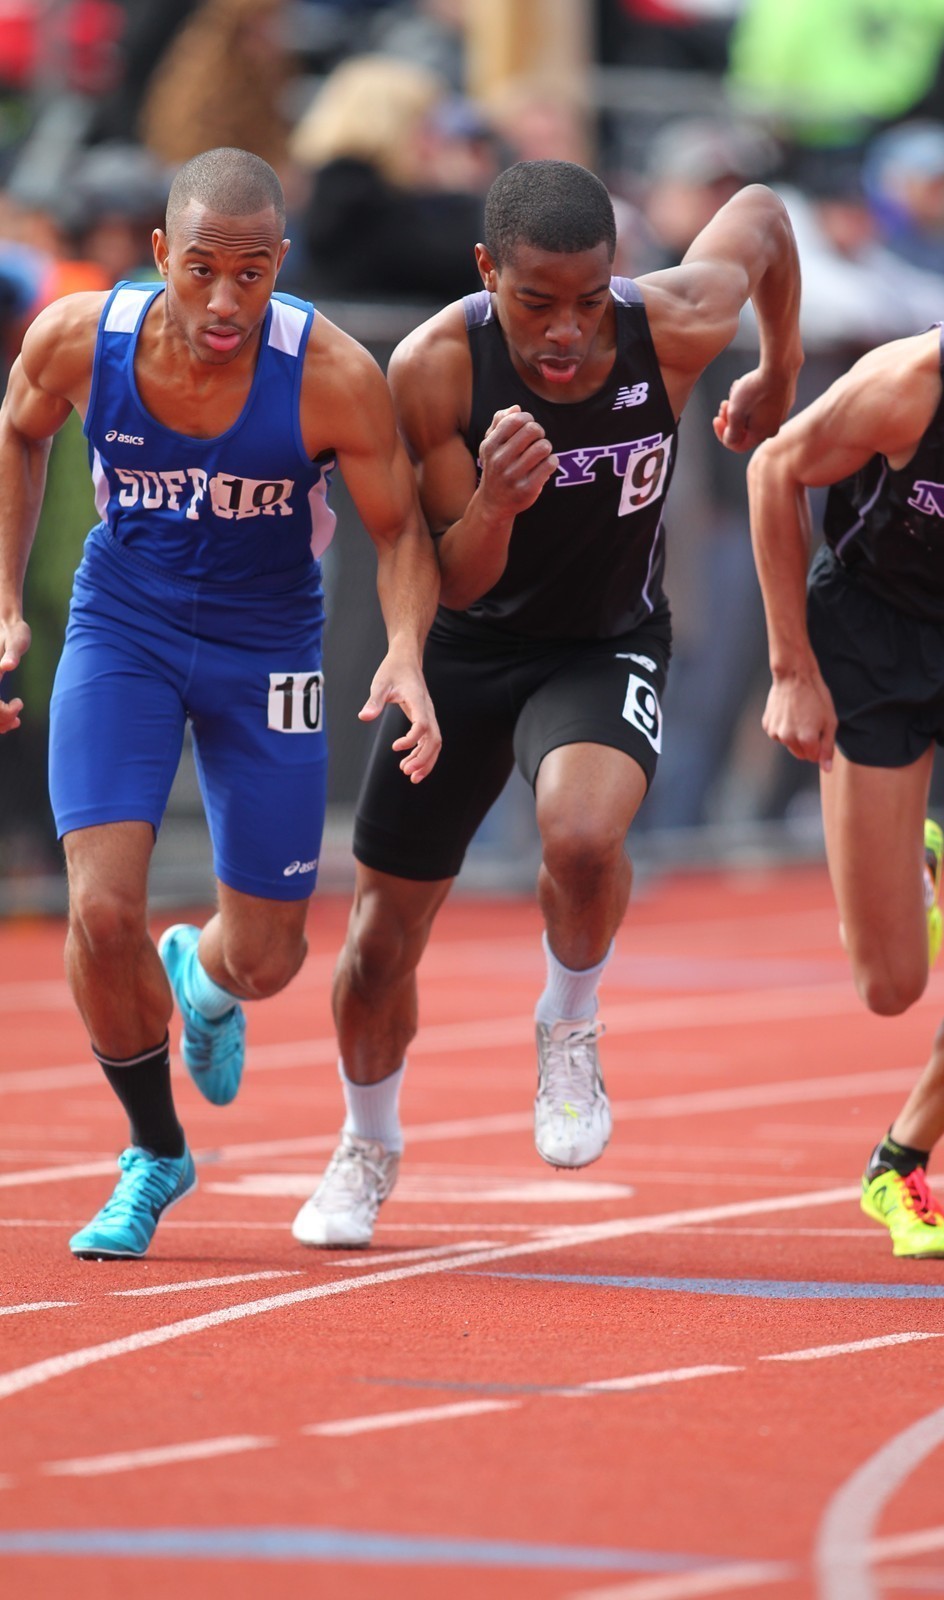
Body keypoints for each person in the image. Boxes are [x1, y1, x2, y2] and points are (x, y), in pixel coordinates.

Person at [291, 157, 803, 1248]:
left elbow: (760, 217)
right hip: (468, 648)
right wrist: (496, 502)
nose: (565, 331)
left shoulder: (669, 325)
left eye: (587, 299)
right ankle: (366, 1143)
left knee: (578, 834)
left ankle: (567, 1024)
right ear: (487, 271)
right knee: (378, 943)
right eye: (535, 303)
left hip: (605, 641)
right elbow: (451, 579)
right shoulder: (434, 368)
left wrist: (778, 368)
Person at [0, 146, 441, 1260]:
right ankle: (154, 1151)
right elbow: (19, 430)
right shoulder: (79, 337)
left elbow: (397, 530)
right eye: (202, 270)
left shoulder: (331, 373)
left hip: (268, 647)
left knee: (270, 959)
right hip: (124, 626)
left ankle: (202, 978)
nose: (226, 302)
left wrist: (404, 650)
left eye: (252, 274)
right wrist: (4, 601)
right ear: (161, 254)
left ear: (281, 263)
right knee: (101, 912)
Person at [745, 178, 944, 1259]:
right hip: (869, 646)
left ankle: (900, 1159)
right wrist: (791, 669)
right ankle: (907, 862)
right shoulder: (905, 387)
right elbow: (773, 469)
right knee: (887, 986)